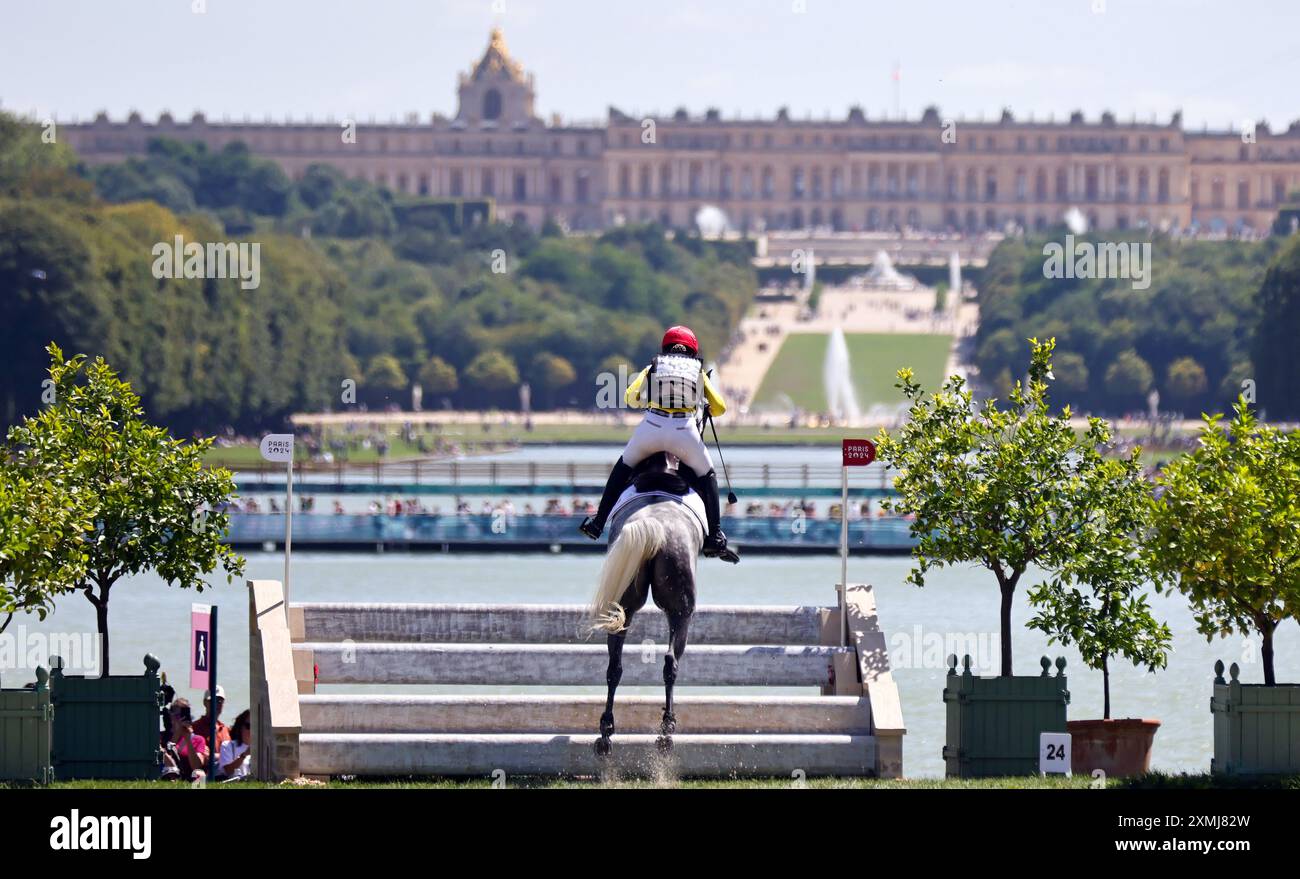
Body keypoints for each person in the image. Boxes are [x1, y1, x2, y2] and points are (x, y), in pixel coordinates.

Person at [579, 325, 738, 562]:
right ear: (693, 350)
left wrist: (648, 399)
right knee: (708, 476)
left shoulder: (654, 366)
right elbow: (720, 408)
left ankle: (598, 523)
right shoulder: (698, 371)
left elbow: (629, 398)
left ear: (665, 347)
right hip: (684, 433)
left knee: (622, 468)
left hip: (651, 428)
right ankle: (714, 536)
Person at [160, 698, 208, 782]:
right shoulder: (162, 737)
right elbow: (166, 760)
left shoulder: (198, 739)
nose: (180, 719)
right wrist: (177, 734)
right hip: (168, 777)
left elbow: (196, 767)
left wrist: (188, 739)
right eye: (178, 716)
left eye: (183, 716)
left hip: (189, 779)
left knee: (201, 775)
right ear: (171, 716)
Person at [191, 685, 231, 754]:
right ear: (204, 702)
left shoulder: (226, 730)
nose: (216, 704)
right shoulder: (194, 728)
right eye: (213, 700)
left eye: (220, 701)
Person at [219, 710, 253, 781]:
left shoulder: (261, 747)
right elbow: (228, 771)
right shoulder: (228, 745)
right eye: (248, 726)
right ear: (241, 727)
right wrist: (244, 755)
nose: (252, 730)